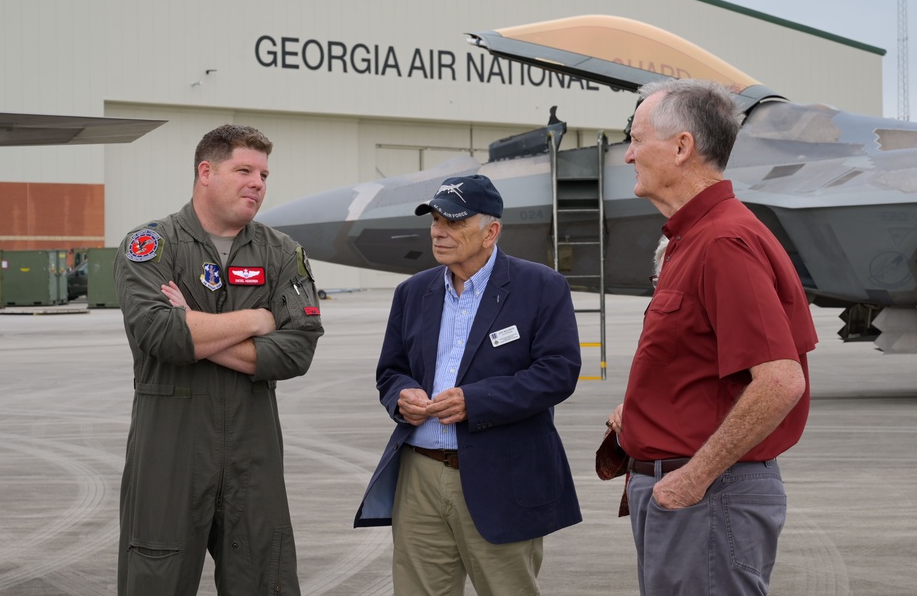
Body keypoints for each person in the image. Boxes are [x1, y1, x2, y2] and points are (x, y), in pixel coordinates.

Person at [606, 79, 818, 596]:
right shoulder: (693, 237)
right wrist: (640, 410)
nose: (628, 155)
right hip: (690, 496)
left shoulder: (722, 241)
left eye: (637, 139)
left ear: (681, 147)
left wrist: (692, 479)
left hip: (707, 499)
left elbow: (779, 381)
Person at [114, 124, 324, 596]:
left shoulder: (282, 253)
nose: (258, 183)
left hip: (253, 447)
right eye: (244, 170)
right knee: (156, 577)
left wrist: (197, 327)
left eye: (264, 174)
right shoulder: (152, 246)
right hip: (170, 444)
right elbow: (161, 335)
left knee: (264, 578)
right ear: (205, 172)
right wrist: (256, 319)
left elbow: (298, 348)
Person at [354, 174, 583, 595]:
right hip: (419, 473)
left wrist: (475, 401)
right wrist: (401, 395)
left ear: (490, 231)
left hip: (501, 476)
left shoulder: (541, 287)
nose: (439, 232)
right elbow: (390, 370)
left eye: (454, 223)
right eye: (435, 220)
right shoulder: (412, 292)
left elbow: (558, 372)